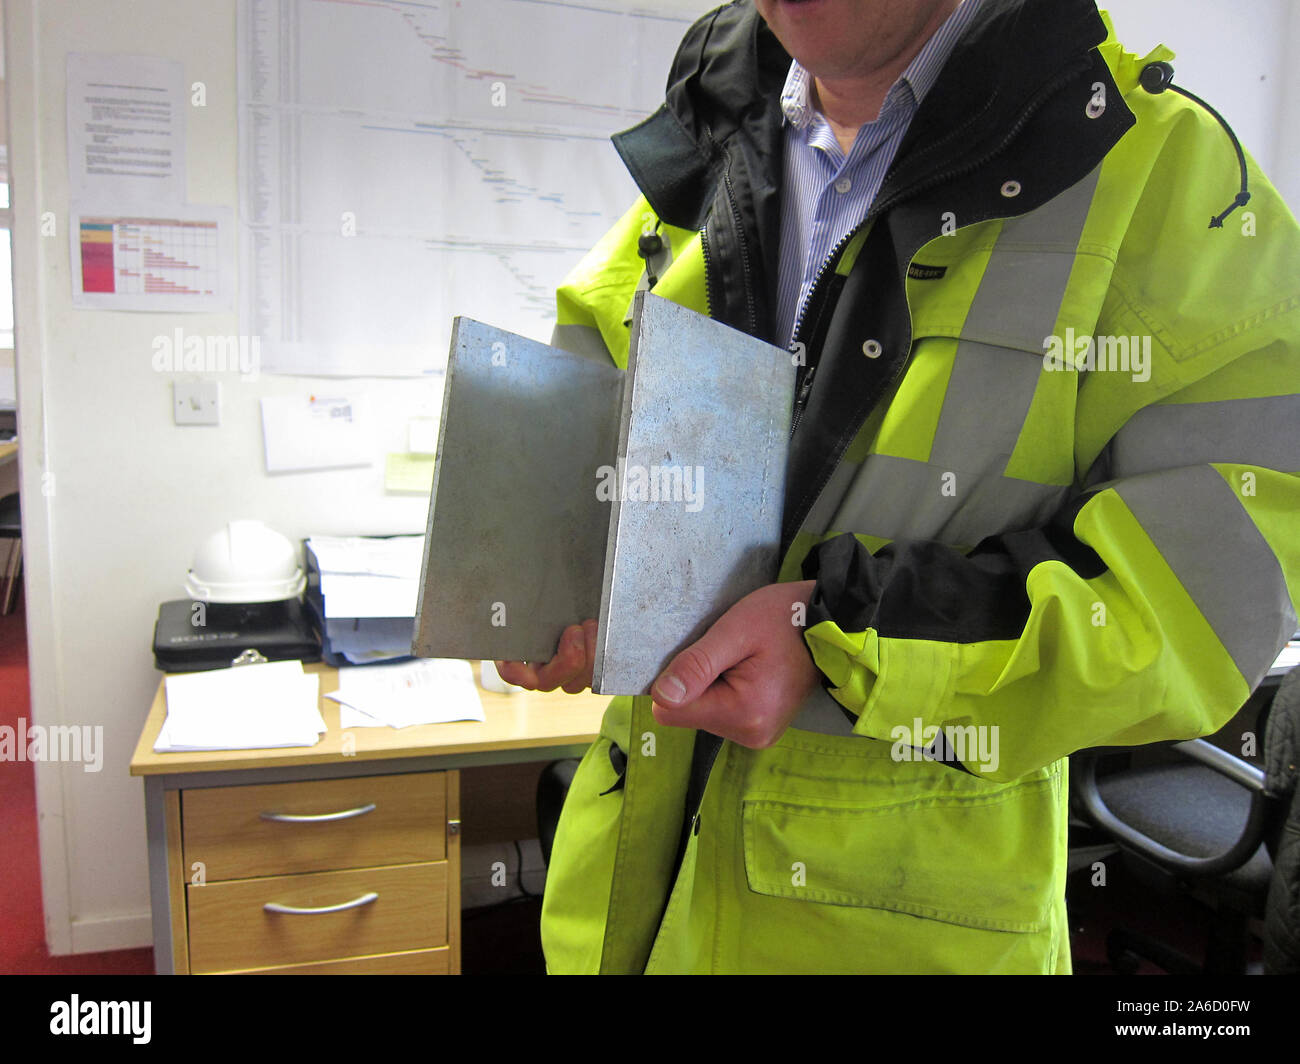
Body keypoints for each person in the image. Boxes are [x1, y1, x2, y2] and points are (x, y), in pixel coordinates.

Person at [498, 0, 1300, 974]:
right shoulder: (721, 126)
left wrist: (836, 638)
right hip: (633, 906)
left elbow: (1202, 598)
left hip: (897, 930)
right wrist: (566, 573)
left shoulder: (1171, 184)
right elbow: (598, 366)